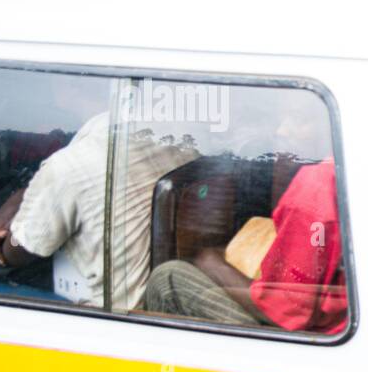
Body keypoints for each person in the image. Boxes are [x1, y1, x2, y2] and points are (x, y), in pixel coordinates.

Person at [143, 108, 347, 336]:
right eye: (283, 118)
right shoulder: (348, 168)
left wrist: (215, 265)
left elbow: (289, 309)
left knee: (168, 277)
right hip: (337, 317)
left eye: (300, 120)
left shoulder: (315, 187)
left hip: (312, 334)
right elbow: (316, 249)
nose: (282, 130)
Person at [0, 108, 199, 311]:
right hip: (162, 300)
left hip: (110, 313)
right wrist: (28, 195)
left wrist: (12, 233)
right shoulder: (174, 136)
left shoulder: (70, 166)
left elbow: (17, 252)